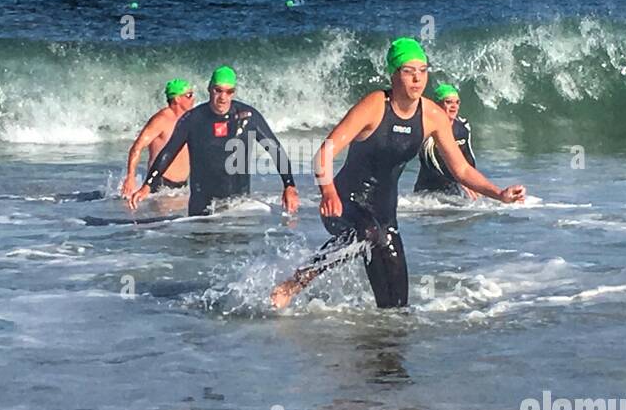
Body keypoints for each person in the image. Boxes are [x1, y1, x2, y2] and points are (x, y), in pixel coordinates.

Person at [271, 39, 525, 310]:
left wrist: (498, 193)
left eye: (423, 70)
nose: (417, 78)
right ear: (393, 74)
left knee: (396, 310)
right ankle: (296, 282)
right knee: (367, 231)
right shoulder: (375, 105)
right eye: (408, 70)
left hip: (385, 216)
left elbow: (461, 169)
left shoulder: (432, 116)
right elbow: (324, 153)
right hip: (344, 203)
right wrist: (328, 191)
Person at [127, 66, 300, 217]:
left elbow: (274, 149)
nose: (223, 97)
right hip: (202, 210)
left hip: (237, 206)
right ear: (210, 89)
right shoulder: (193, 119)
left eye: (229, 92)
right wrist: (148, 185)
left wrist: (289, 185)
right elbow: (168, 152)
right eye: (218, 90)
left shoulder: (247, 117)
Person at [119, 80, 195, 198]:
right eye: (189, 95)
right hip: (161, 185)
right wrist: (130, 176)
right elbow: (137, 147)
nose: (193, 99)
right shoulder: (161, 120)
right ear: (177, 99)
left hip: (183, 187)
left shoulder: (189, 119)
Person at [414, 82, 478, 198]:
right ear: (437, 105)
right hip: (427, 194)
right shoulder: (428, 130)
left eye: (457, 102)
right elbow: (433, 163)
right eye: (448, 102)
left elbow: (468, 156)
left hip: (454, 190)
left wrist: (473, 182)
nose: (454, 106)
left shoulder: (463, 127)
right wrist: (462, 180)